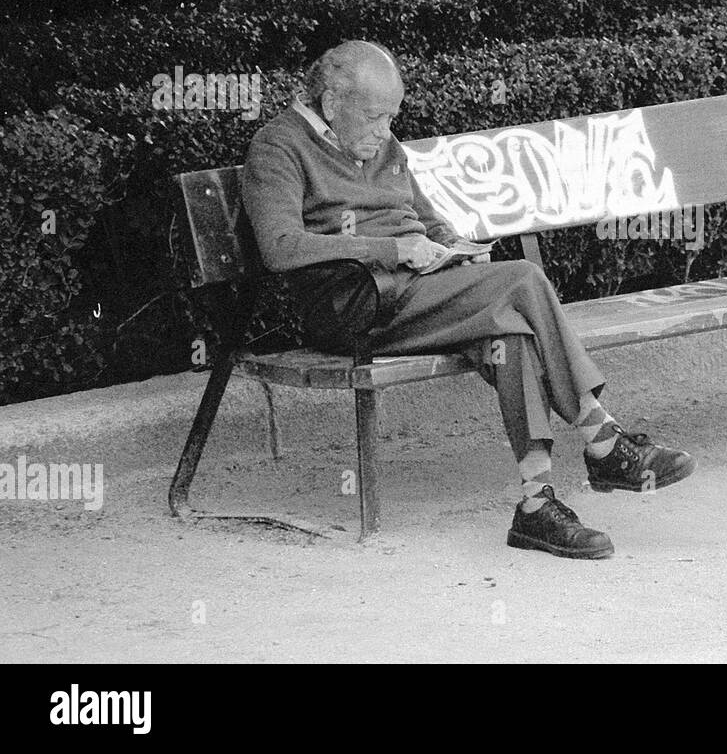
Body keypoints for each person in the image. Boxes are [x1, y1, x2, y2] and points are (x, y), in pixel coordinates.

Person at [240, 40, 696, 559]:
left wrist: (454, 247)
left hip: (421, 291)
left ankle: (535, 505)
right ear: (329, 102)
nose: (383, 131)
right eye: (372, 117)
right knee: (523, 278)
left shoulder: (380, 145)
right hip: (355, 304)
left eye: (391, 116)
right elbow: (279, 247)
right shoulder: (278, 146)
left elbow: (427, 218)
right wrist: (392, 250)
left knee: (512, 336)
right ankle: (604, 441)